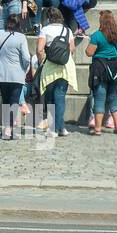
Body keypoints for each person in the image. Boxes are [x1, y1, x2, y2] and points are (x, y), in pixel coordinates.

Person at [0, 14, 32, 140]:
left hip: (2, 74)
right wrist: (24, 68)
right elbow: (26, 57)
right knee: (14, 102)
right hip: (17, 75)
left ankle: (7, 126)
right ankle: (8, 129)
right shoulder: (21, 37)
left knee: (6, 101)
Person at [36, 8, 75, 137]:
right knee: (60, 97)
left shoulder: (45, 30)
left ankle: (53, 129)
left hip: (50, 66)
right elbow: (72, 49)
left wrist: (42, 62)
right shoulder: (68, 30)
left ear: (48, 18)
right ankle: (61, 128)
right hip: (65, 67)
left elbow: (39, 50)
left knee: (51, 98)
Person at [86, 9, 117, 135]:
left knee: (99, 98)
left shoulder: (97, 35)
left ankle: (97, 129)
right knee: (114, 98)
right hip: (115, 67)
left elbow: (89, 52)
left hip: (100, 68)